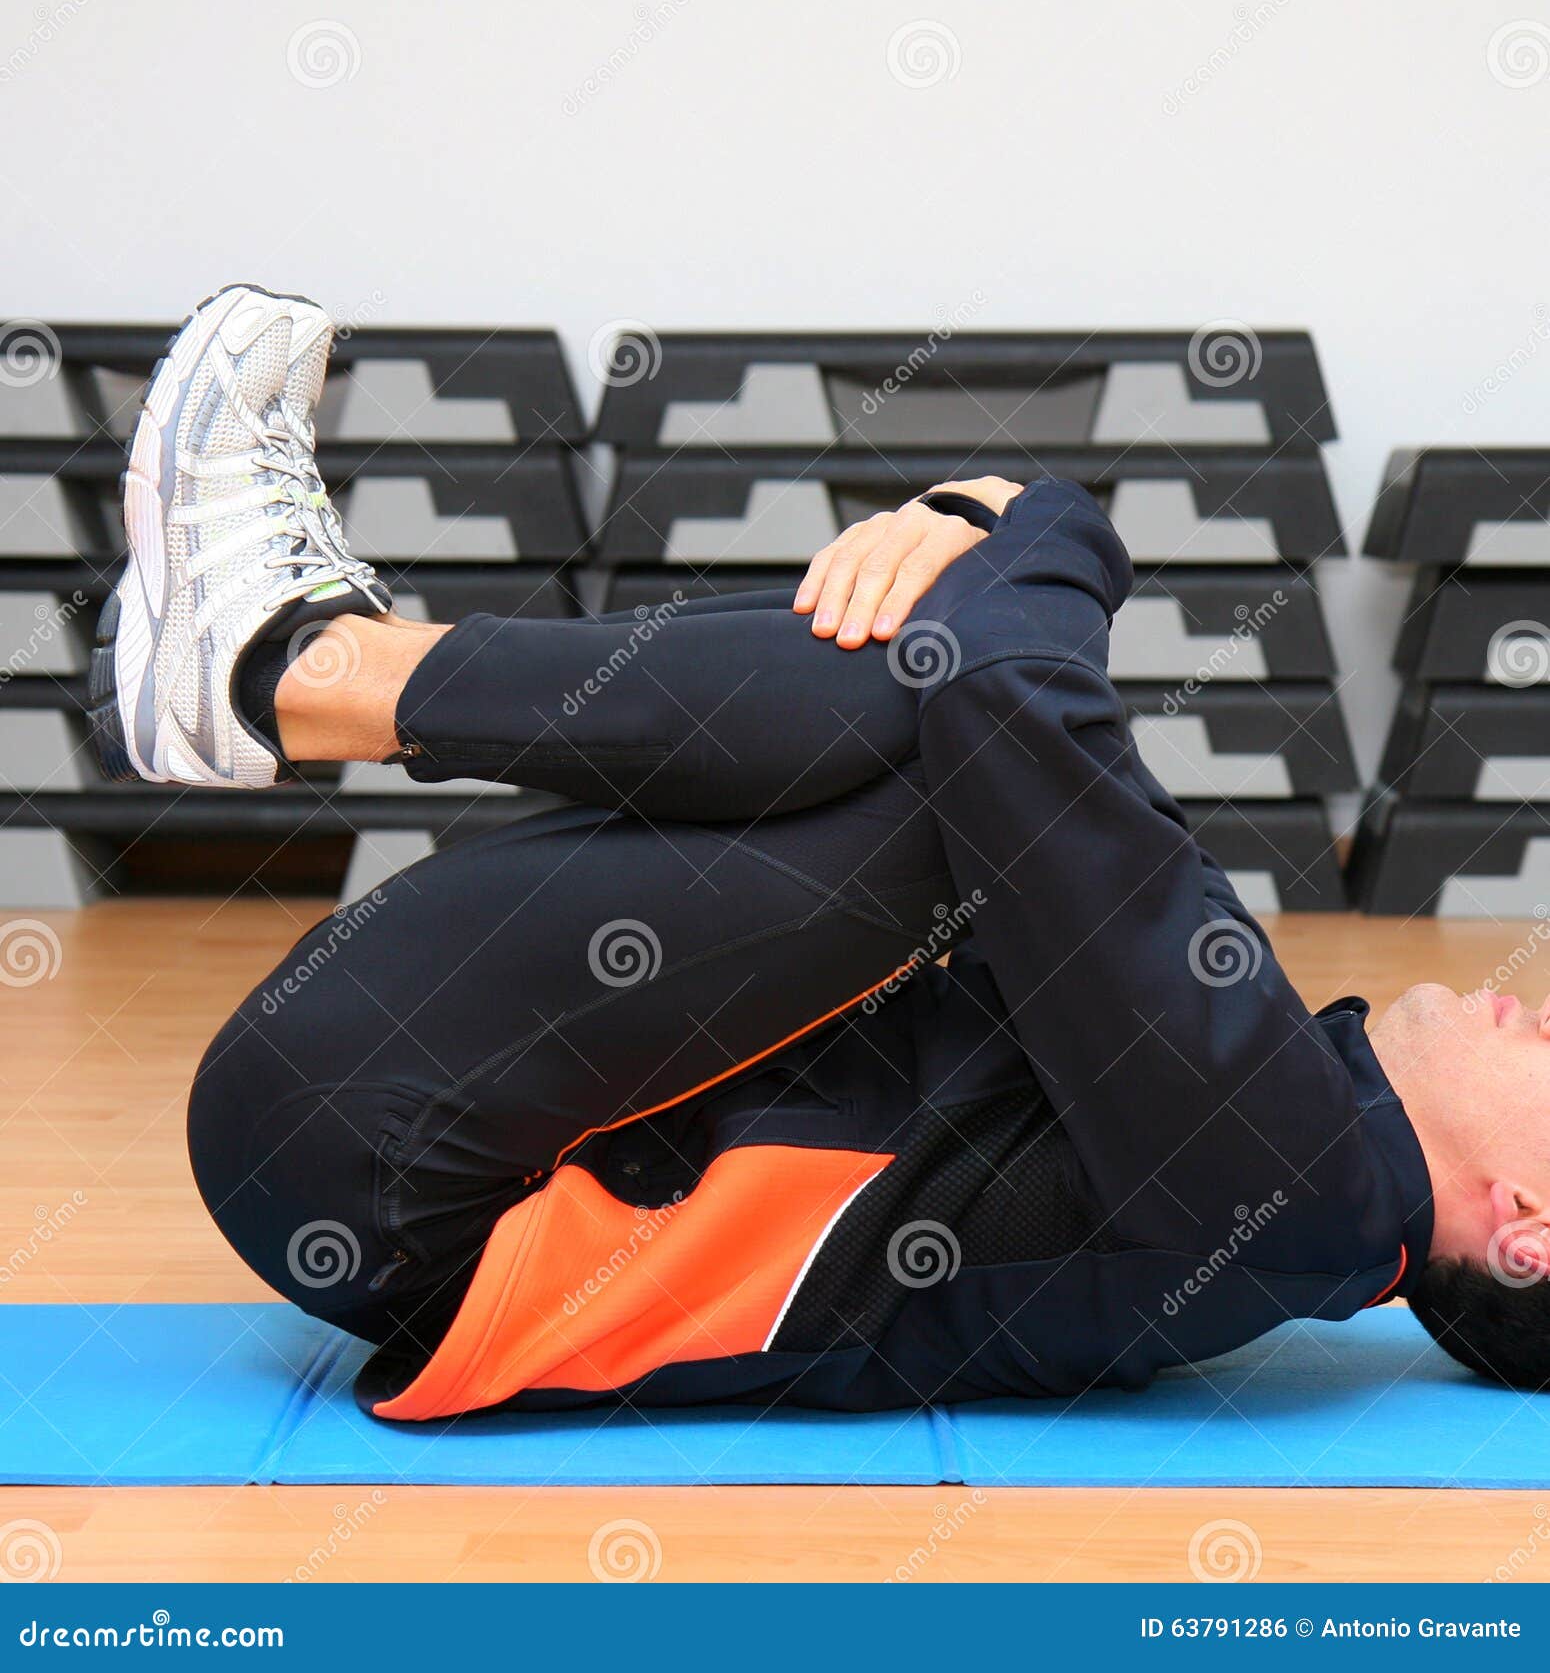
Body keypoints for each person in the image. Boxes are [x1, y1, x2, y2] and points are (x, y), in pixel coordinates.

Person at [91, 286, 1548, 1422]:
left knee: (944, 725)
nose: (1538, 1017)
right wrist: (983, 555)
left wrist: (1036, 522)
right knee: (940, 724)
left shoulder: (1288, 1178)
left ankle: (289, 669)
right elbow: (1014, 716)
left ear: (1525, 1233)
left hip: (386, 1166)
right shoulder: (1291, 1170)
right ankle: (286, 670)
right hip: (388, 1136)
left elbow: (1002, 698)